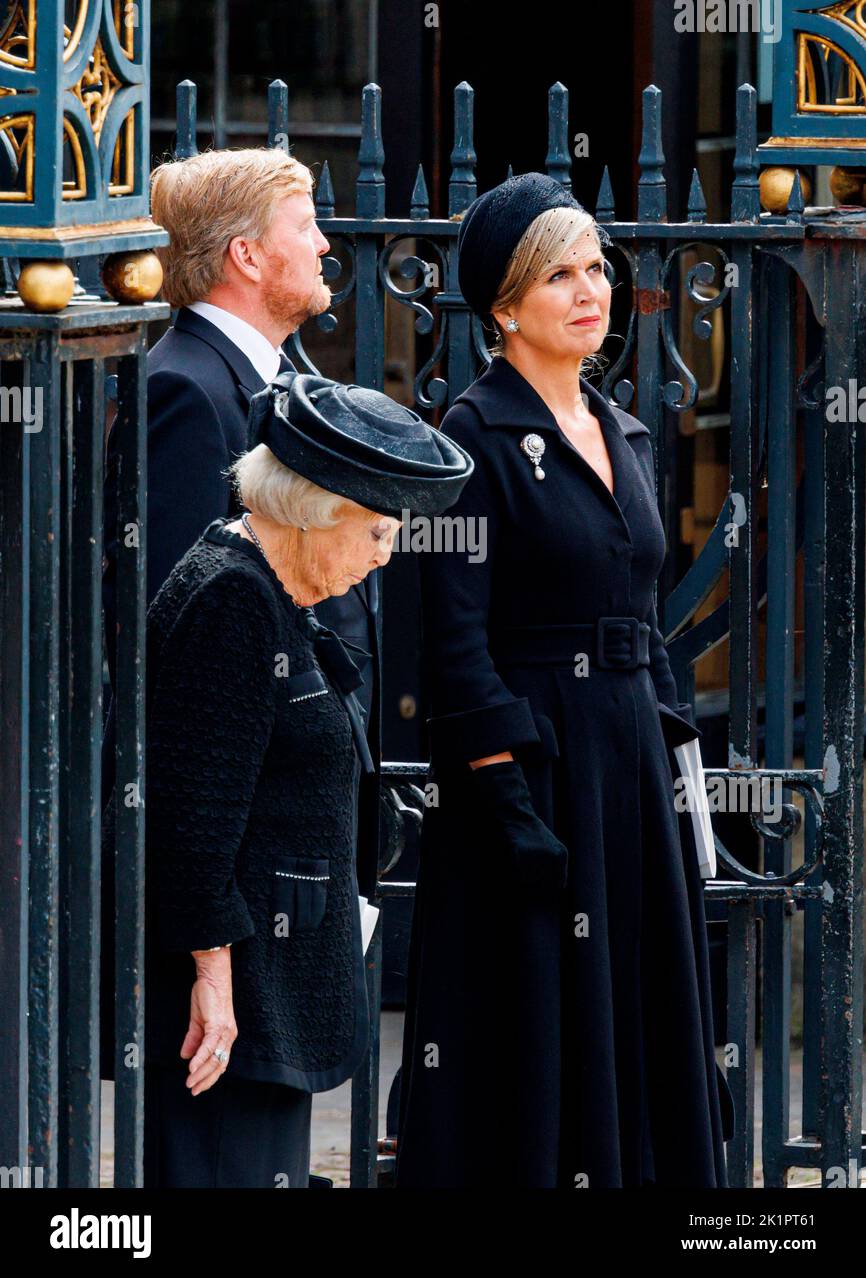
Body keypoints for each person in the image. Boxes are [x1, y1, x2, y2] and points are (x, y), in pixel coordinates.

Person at [395, 172, 735, 1189]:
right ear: (503, 306)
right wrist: (505, 793)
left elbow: (640, 613)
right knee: (540, 1024)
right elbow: (451, 641)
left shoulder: (623, 429)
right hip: (535, 777)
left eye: (595, 268)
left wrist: (674, 779)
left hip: (627, 761)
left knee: (639, 1013)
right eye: (559, 275)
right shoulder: (469, 435)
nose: (590, 291)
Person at [128, 371, 472, 1187]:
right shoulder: (232, 599)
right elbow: (191, 817)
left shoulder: (270, 592)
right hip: (234, 1008)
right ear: (317, 514)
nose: (384, 557)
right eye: (377, 532)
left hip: (273, 989)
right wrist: (214, 983)